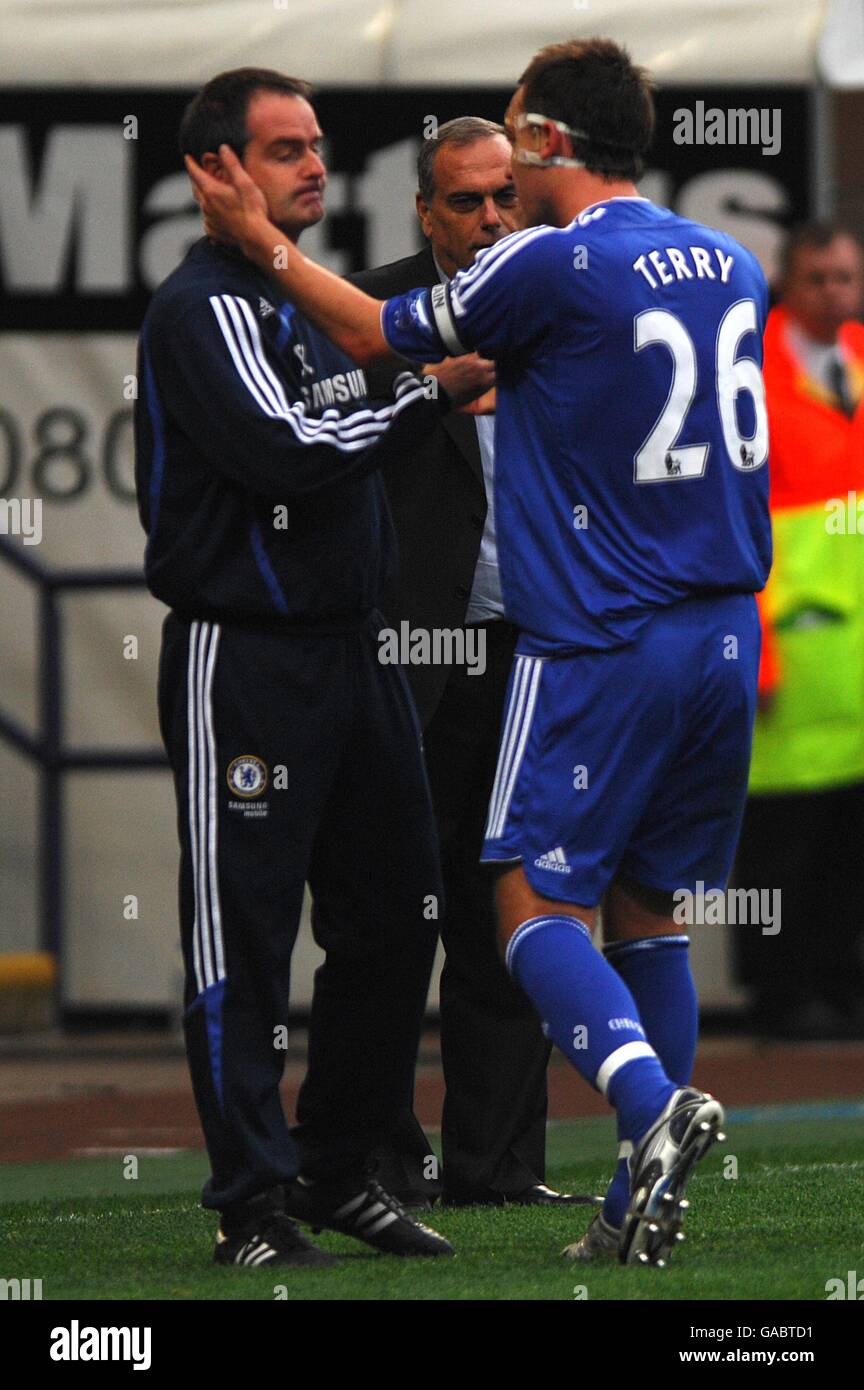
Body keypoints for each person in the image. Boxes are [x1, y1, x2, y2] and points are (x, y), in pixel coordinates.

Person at [185, 36, 771, 1267]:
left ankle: (648, 1103)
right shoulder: (729, 259)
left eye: (520, 137)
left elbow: (369, 335)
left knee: (525, 899)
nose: (509, 163)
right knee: (648, 909)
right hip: (727, 629)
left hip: (608, 632)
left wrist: (268, 245)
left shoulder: (552, 267)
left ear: (554, 142)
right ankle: (633, 1193)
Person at [135, 66, 471, 1269]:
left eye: (318, 144)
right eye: (283, 149)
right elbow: (287, 450)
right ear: (216, 172)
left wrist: (419, 376)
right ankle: (252, 1204)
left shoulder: (314, 302)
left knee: (398, 912)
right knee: (245, 935)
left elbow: (373, 375)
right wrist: (425, 395)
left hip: (353, 650)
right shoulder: (202, 307)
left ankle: (340, 1169)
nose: (316, 164)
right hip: (249, 657)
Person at [354, 116, 589, 1208]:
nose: (492, 216)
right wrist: (429, 385)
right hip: (411, 657)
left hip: (538, 654)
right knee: (395, 920)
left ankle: (496, 1167)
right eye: (466, 201)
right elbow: (320, 453)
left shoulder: (569, 299)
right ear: (424, 209)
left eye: (506, 195)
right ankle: (378, 1163)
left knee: (519, 916)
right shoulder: (374, 314)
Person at [735, 222, 864, 1039]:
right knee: (783, 837)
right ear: (788, 282)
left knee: (850, 835)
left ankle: (840, 984)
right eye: (817, 277)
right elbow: (737, 525)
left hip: (853, 664)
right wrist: (757, 651)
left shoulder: (859, 359)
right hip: (789, 649)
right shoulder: (754, 374)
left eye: (846, 277)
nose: (834, 292)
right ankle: (780, 994)